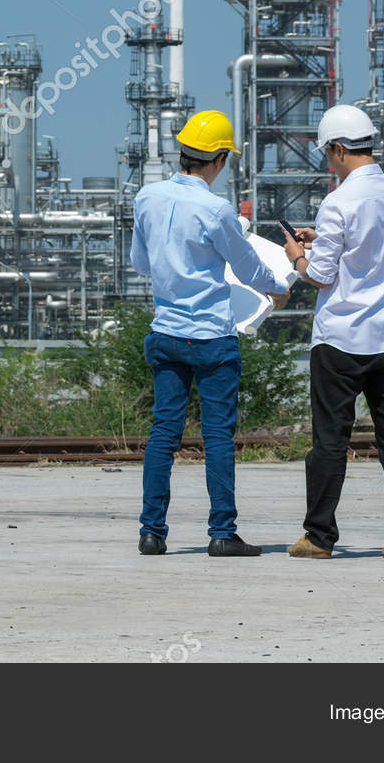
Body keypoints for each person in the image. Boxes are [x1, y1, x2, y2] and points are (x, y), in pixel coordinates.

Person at [131, 111, 295, 557]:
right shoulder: (216, 209)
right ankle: (222, 534)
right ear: (220, 159)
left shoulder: (146, 197)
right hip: (211, 337)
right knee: (218, 436)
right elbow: (247, 266)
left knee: (163, 432)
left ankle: (151, 533)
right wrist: (278, 288)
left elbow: (141, 263)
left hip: (166, 333)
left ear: (183, 151)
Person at [280, 104, 384, 561]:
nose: (329, 162)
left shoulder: (338, 202)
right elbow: (375, 250)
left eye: (328, 153)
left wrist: (297, 256)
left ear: (339, 149)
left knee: (330, 442)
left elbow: (321, 276)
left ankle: (319, 538)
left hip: (340, 340)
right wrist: (324, 239)